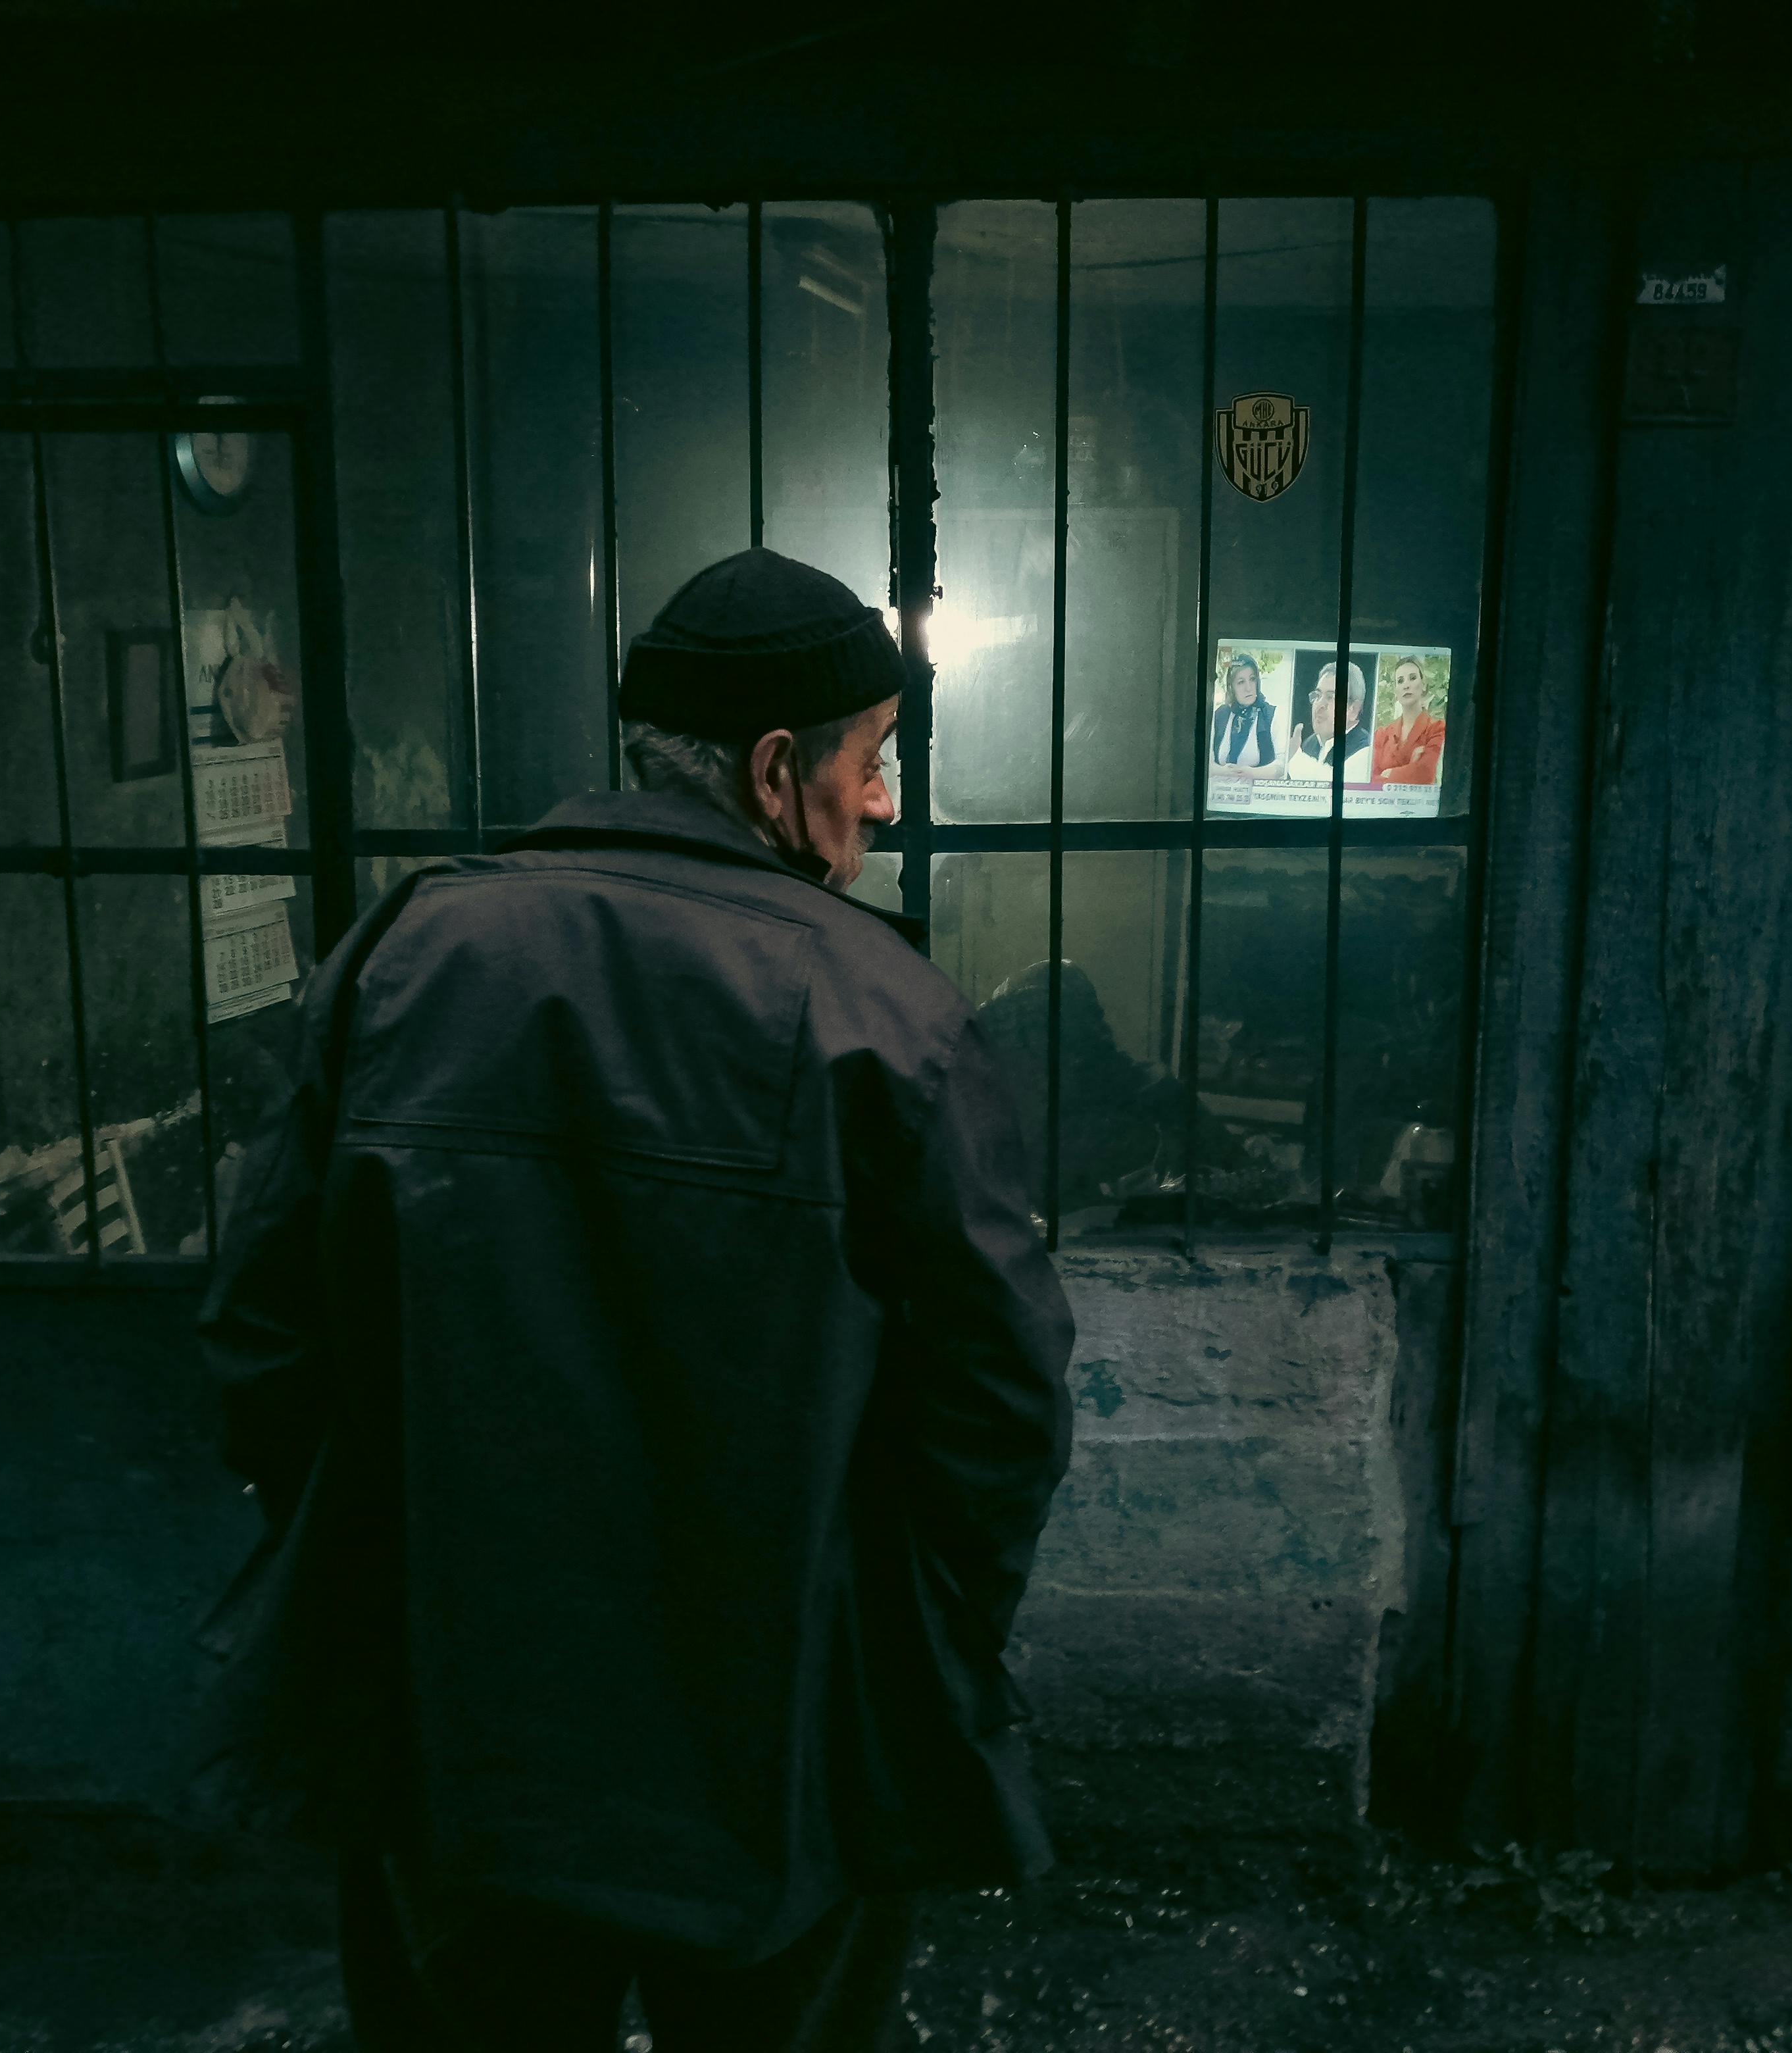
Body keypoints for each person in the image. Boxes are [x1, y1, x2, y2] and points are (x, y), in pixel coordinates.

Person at [186, 549, 1077, 2053]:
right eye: (870, 758)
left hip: (454, 1724)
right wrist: (903, 1646)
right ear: (775, 768)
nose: (881, 801)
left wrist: (374, 1567)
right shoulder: (882, 1013)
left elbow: (263, 1336)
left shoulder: (401, 955)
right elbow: (997, 1405)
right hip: (777, 1740)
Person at [1284, 659, 1374, 782]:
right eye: (1318, 695)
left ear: (1353, 709)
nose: (1319, 705)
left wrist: (1294, 757)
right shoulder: (1310, 743)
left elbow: (1336, 786)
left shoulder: (1367, 751)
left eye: (1331, 697)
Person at [1372, 654, 1445, 786]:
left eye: (1412, 678)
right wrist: (1412, 768)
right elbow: (1370, 779)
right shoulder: (1381, 734)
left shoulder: (1437, 728)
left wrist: (1389, 773)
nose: (1406, 685)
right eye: (1400, 681)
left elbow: (1426, 773)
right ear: (1396, 692)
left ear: (1423, 685)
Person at [1208, 651, 1282, 778]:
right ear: (1231, 687)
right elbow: (1205, 762)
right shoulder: (1220, 715)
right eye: (1241, 682)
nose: (1249, 688)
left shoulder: (1272, 715)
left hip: (1258, 788)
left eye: (1252, 679)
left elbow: (1282, 766)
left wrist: (1251, 773)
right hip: (1221, 788)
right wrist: (1223, 771)